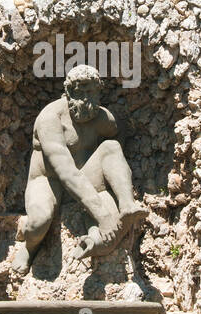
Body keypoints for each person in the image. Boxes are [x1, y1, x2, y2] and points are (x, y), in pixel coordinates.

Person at [14, 64, 146, 266]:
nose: (85, 97)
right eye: (80, 90)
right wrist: (102, 215)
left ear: (99, 91)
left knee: (111, 147)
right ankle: (29, 247)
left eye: (90, 90)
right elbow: (65, 172)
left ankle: (127, 206)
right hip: (50, 181)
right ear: (68, 91)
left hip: (86, 176)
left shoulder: (102, 118)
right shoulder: (50, 118)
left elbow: (120, 135)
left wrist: (111, 176)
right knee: (39, 222)